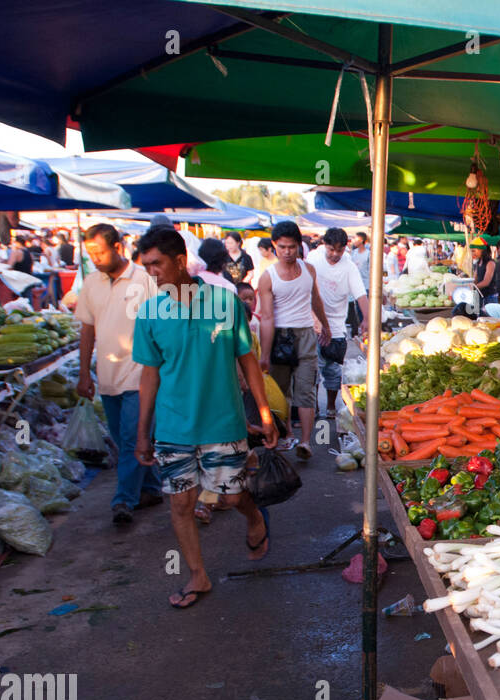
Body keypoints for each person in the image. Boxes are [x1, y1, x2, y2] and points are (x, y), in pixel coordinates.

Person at [129, 227, 276, 608]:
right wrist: (142, 432)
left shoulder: (224, 302)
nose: (152, 273)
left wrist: (264, 414)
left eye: (156, 264)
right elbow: (149, 375)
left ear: (180, 261)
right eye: (146, 267)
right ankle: (198, 576)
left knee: (231, 498)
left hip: (222, 421)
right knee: (181, 504)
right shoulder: (149, 312)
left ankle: (254, 517)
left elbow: (246, 359)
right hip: (173, 426)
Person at [73, 223, 164, 524]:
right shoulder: (91, 283)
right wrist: (85, 373)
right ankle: (150, 488)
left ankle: (123, 501)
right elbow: (87, 329)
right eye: (90, 253)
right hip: (108, 377)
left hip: (141, 376)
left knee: (130, 438)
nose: (95, 258)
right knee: (123, 437)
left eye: (100, 251)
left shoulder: (144, 279)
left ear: (117, 247)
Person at [256, 220, 330, 461]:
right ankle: (287, 434)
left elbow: (315, 299)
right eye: (282, 247)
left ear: (299, 246)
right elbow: (266, 317)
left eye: (292, 247)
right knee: (281, 392)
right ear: (274, 246)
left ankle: (307, 442)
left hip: (306, 335)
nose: (287, 252)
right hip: (279, 337)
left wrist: (325, 325)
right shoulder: (267, 277)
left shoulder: (309, 269)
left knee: (306, 390)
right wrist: (264, 354)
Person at [306, 227, 369, 417]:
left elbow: (360, 294)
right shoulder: (313, 260)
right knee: (313, 371)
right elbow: (306, 291)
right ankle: (314, 408)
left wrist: (366, 318)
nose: (335, 254)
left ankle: (331, 407)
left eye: (339, 250)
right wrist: (314, 319)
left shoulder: (349, 266)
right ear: (324, 245)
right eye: (331, 249)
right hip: (313, 324)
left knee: (333, 371)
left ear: (345, 248)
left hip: (336, 327)